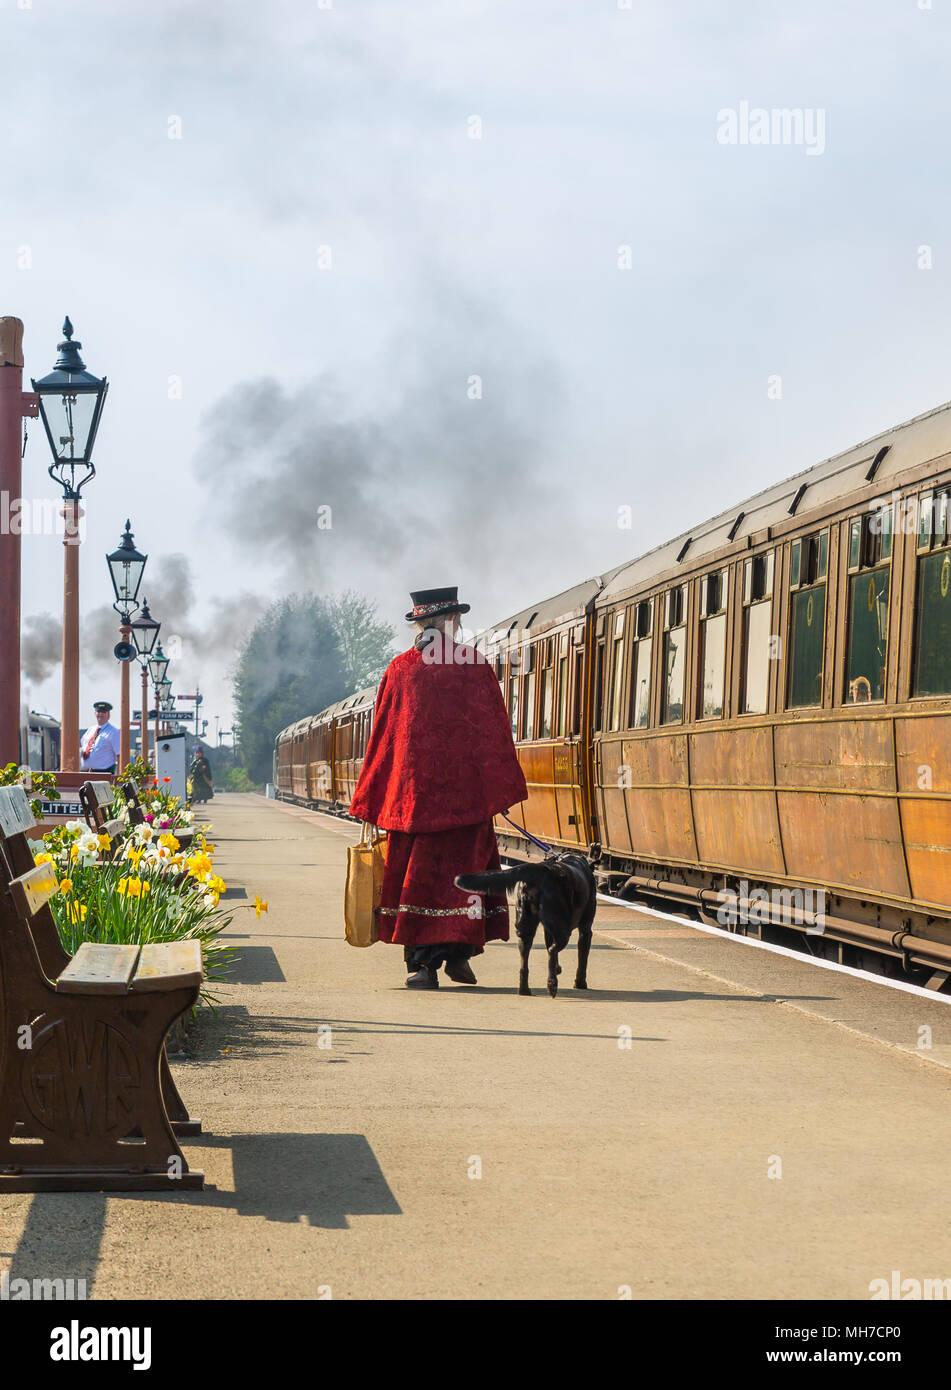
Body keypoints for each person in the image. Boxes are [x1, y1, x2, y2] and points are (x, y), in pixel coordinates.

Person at [350, 586, 528, 989]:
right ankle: (459, 956)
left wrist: (374, 797)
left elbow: (384, 738)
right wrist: (497, 789)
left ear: (420, 624)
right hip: (466, 805)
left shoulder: (399, 670)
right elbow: (494, 735)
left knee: (417, 881)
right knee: (465, 878)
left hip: (413, 805)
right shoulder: (475, 667)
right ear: (451, 623)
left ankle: (421, 967)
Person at [79, 701, 121, 774]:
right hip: (85, 772)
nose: (100, 714)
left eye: (104, 712)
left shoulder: (114, 732)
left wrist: (119, 776)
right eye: (98, 711)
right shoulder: (90, 730)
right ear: (95, 713)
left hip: (104, 772)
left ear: (108, 715)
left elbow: (119, 755)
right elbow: (83, 746)